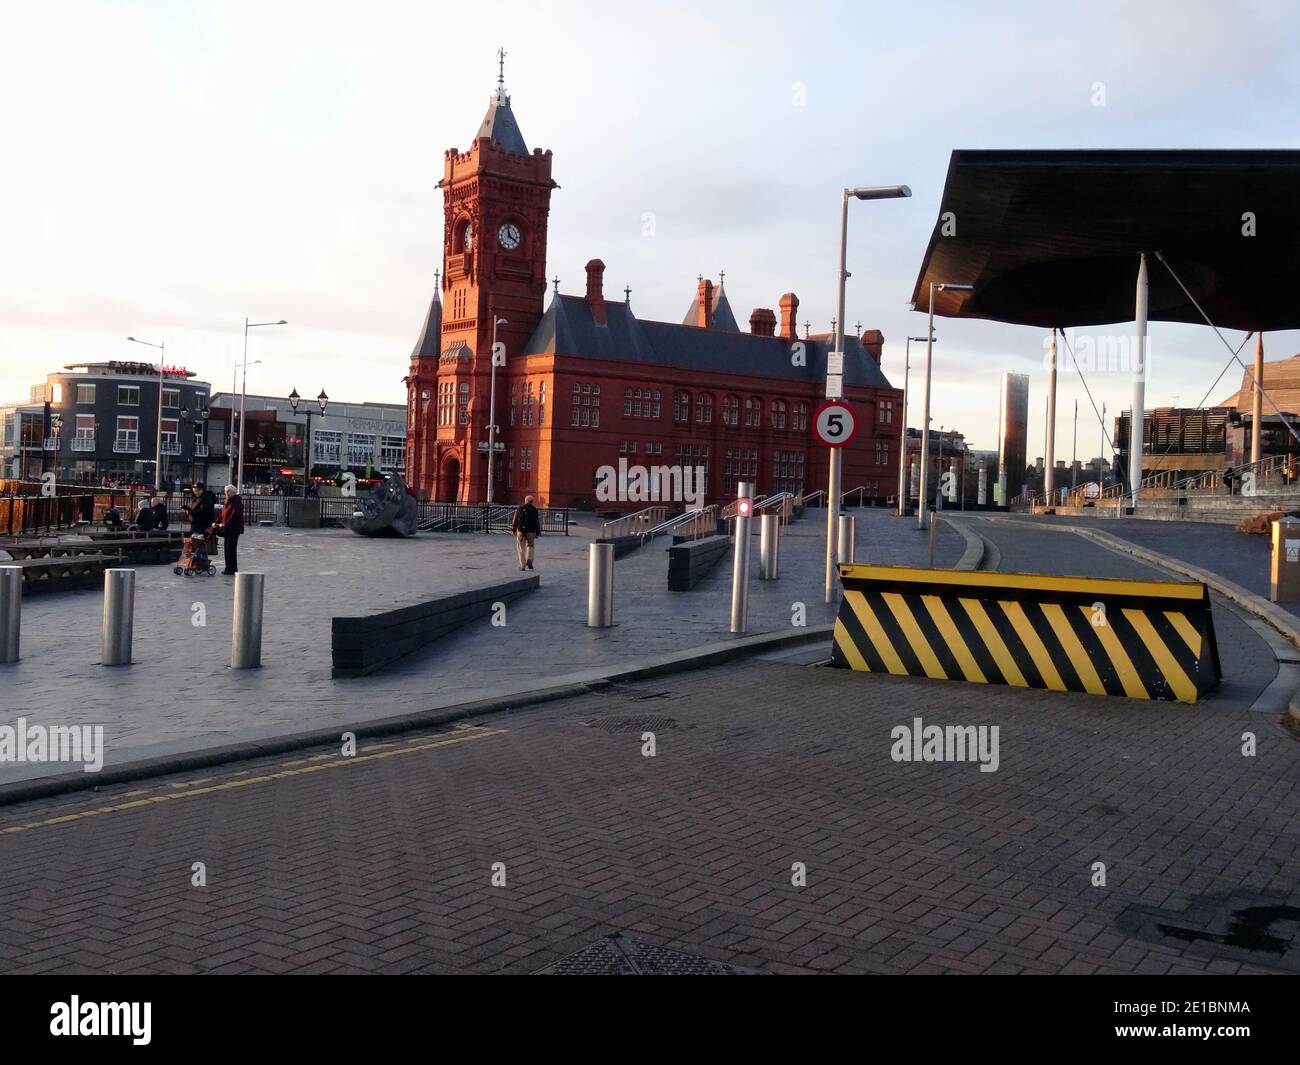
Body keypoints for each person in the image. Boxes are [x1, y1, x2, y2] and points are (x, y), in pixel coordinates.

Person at [214, 483, 245, 575]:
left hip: (234, 529)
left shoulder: (236, 502)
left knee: (231, 549)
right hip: (227, 528)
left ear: (233, 492)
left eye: (228, 491)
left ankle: (232, 569)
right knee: (227, 549)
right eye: (225, 491)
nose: (226, 493)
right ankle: (228, 568)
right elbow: (222, 514)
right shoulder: (227, 501)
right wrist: (216, 522)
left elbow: (235, 515)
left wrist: (225, 523)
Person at [510, 494, 541, 571]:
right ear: (532, 502)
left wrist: (514, 529)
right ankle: (529, 560)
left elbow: (515, 520)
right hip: (531, 531)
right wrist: (537, 532)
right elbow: (537, 521)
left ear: (525, 501)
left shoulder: (520, 508)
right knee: (531, 546)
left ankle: (522, 565)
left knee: (521, 548)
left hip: (521, 531)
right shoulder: (534, 509)